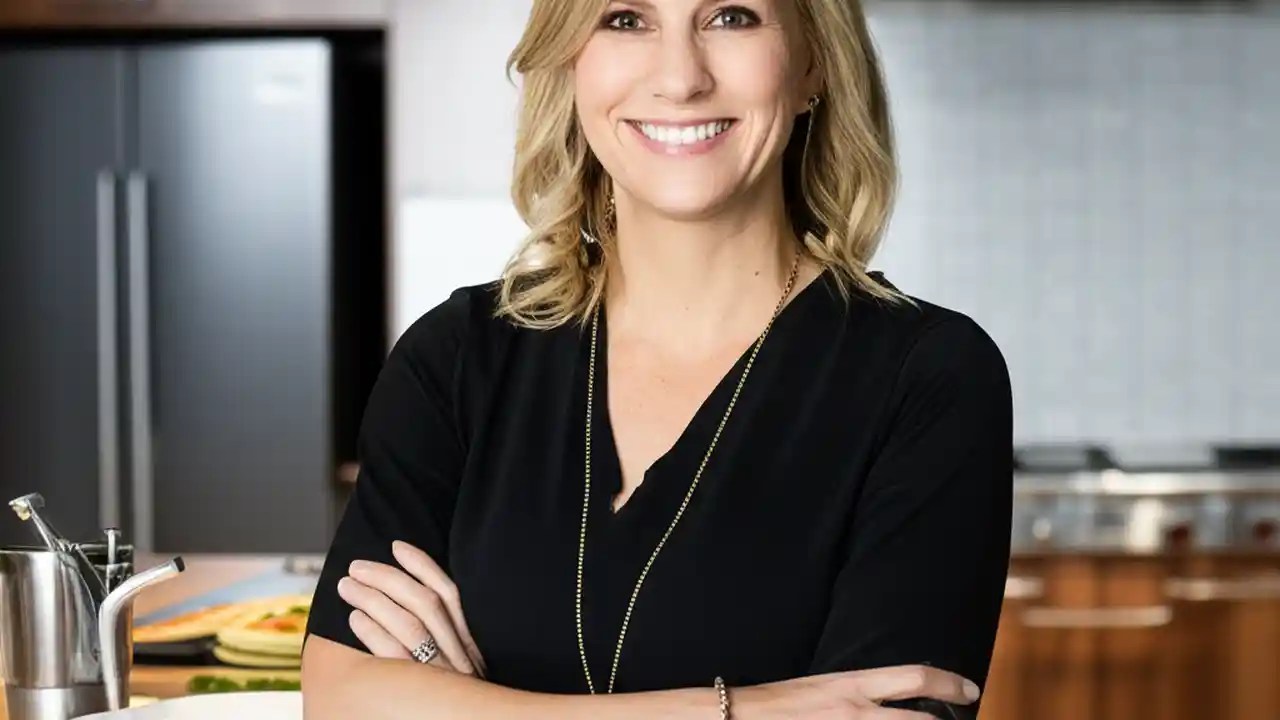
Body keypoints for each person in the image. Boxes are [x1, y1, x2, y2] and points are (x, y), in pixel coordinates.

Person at [301, 0, 1013, 717]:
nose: (680, 77)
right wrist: (742, 709)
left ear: (812, 64)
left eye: (732, 17)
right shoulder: (457, 355)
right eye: (625, 19)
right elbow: (339, 696)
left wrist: (466, 703)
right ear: (570, 62)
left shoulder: (930, 377)